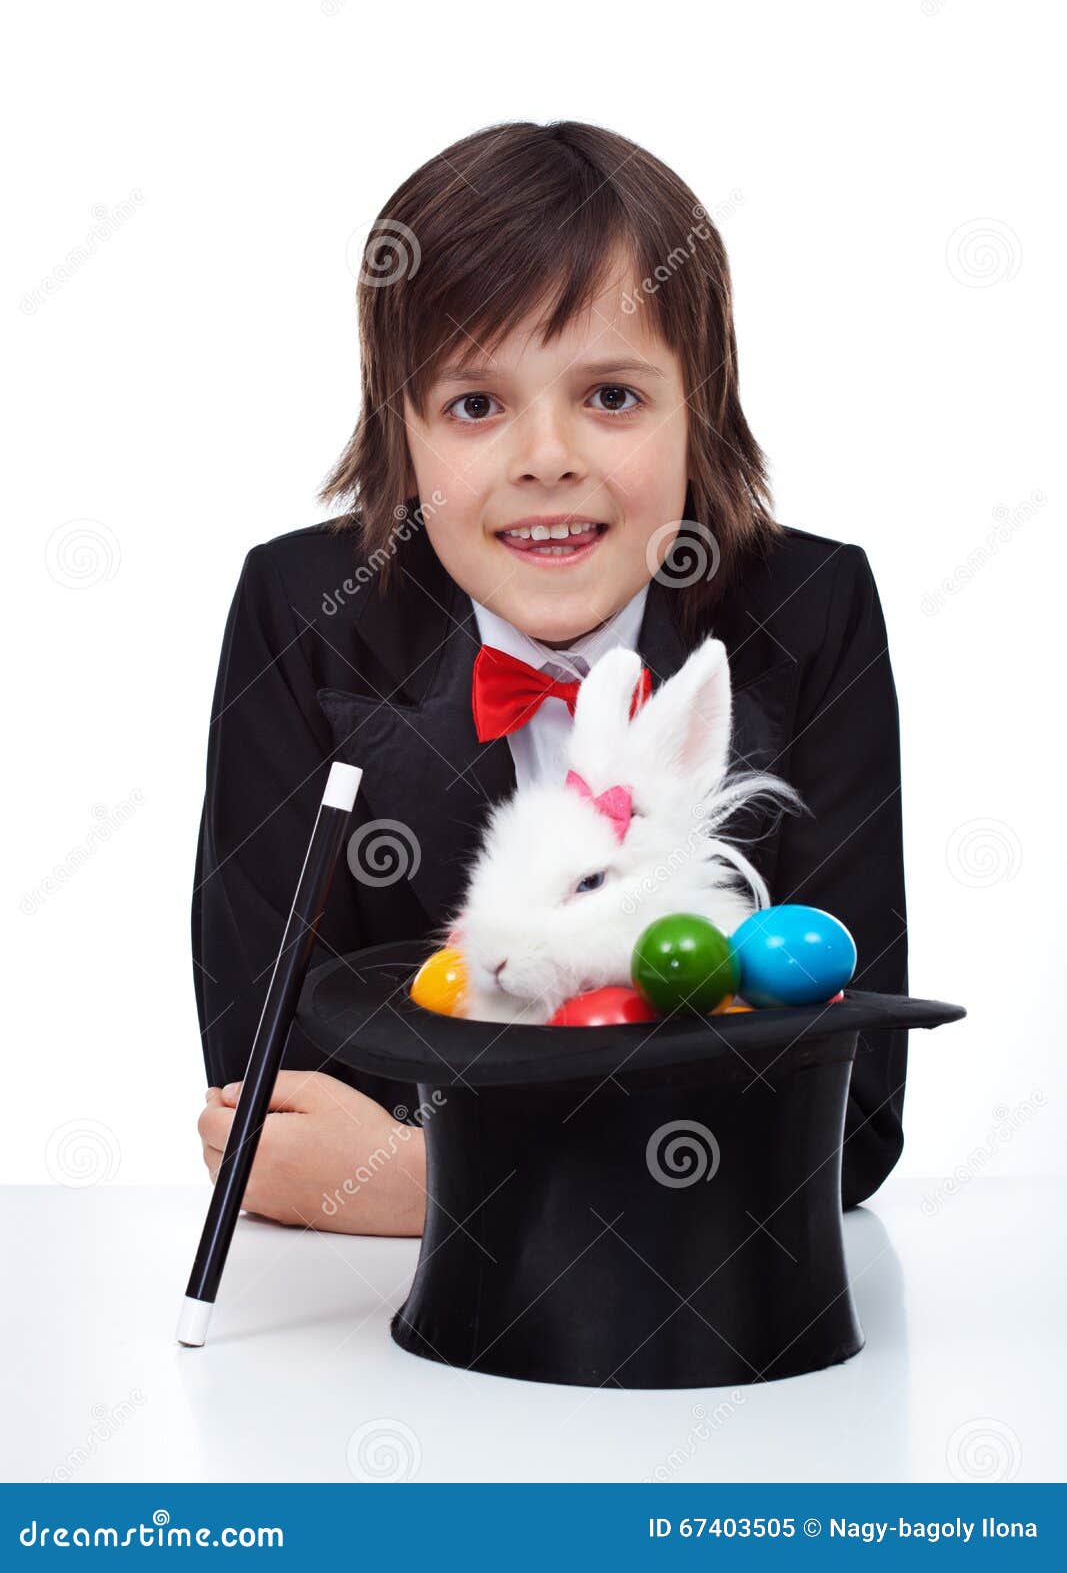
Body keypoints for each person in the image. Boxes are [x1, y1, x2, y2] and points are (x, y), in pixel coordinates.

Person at [194, 119, 908, 1235]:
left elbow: (849, 1125)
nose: (545, 457)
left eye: (611, 396)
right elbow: (269, 1114)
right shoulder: (304, 612)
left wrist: (423, 1180)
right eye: (475, 405)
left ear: (698, 409)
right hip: (374, 1337)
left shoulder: (811, 614)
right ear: (403, 430)